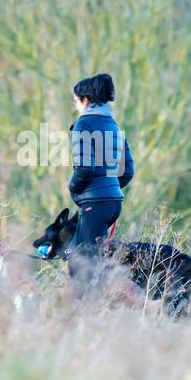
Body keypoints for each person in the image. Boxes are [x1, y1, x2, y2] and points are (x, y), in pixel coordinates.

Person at [67, 73, 134, 263]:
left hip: (94, 204)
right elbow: (128, 171)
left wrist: (72, 188)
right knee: (79, 257)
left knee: (89, 265)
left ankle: (104, 293)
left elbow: (84, 169)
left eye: (75, 102)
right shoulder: (113, 124)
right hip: (113, 204)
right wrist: (109, 186)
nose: (75, 107)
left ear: (85, 100)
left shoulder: (83, 124)